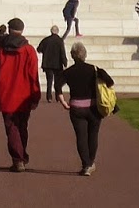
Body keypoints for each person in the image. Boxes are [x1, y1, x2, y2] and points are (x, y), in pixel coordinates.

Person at [0, 16, 40, 171]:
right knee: (22, 127)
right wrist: (36, 96)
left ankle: (18, 158)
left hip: (6, 94)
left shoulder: (0, 50)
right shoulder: (28, 50)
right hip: (24, 95)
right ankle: (20, 156)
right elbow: (33, 75)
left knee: (11, 128)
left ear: (9, 29)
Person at [59, 42, 115, 176]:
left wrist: (63, 102)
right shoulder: (94, 70)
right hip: (94, 108)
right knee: (93, 135)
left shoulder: (68, 72)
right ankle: (90, 162)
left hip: (76, 108)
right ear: (85, 55)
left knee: (81, 137)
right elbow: (110, 82)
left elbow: (57, 87)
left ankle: (86, 164)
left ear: (72, 56)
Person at [38, 24, 67, 102]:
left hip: (47, 64)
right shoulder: (60, 41)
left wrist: (45, 50)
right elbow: (62, 53)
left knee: (49, 81)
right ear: (57, 31)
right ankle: (58, 97)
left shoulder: (46, 40)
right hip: (57, 64)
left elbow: (39, 49)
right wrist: (65, 62)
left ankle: (49, 97)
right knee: (58, 82)